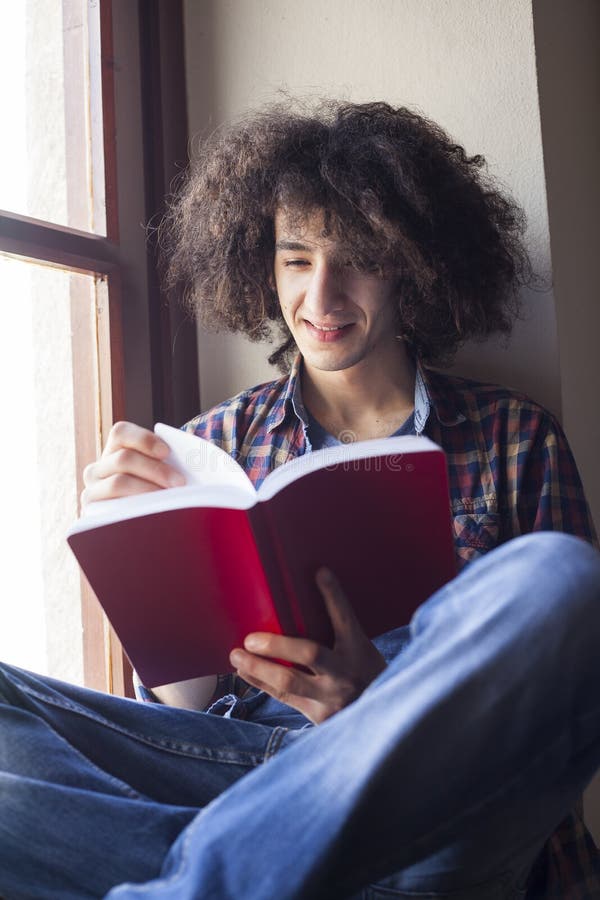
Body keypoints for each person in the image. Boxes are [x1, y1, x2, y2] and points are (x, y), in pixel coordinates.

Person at [1, 101, 600, 900]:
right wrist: (135, 539)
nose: (322, 294)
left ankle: (201, 878)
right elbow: (191, 701)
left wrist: (375, 705)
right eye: (295, 259)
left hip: (431, 811)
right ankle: (236, 875)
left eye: (359, 258)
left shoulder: (513, 437)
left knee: (560, 579)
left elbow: (561, 704)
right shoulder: (210, 444)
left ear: (416, 266)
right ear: (262, 264)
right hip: (237, 779)